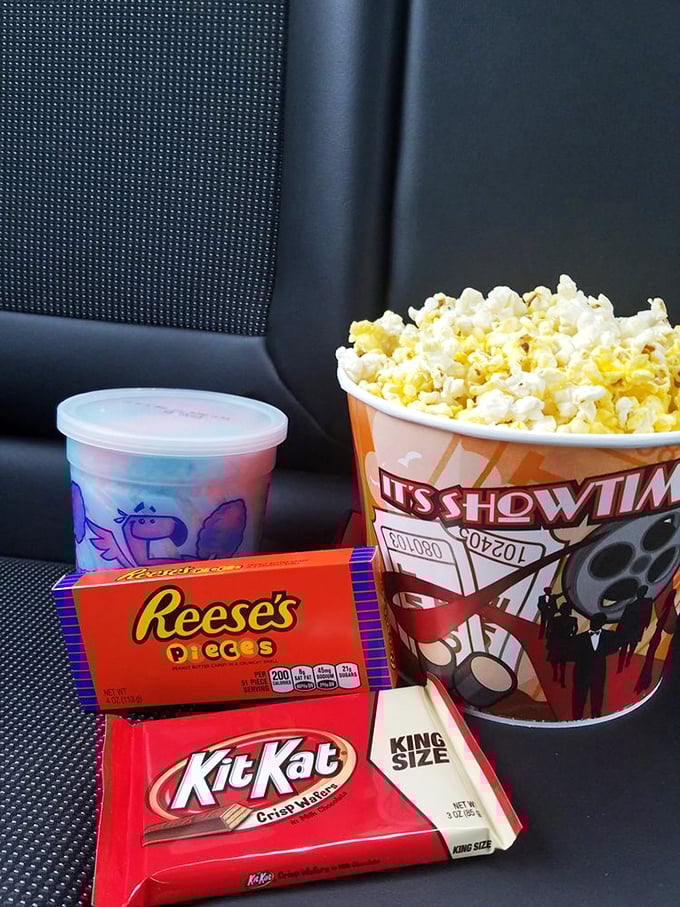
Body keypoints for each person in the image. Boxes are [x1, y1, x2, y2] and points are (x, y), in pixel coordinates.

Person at [572, 613, 617, 720]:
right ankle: (576, 718)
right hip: (582, 671)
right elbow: (573, 652)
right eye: (593, 621)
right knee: (579, 695)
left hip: (598, 671)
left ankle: (596, 717)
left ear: (602, 623)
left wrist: (603, 652)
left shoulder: (609, 635)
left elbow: (616, 646)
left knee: (597, 694)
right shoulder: (579, 638)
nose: (594, 623)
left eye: (597, 621)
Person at [616, 585, 654, 673]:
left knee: (632, 647)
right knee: (624, 648)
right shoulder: (630, 606)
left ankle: (628, 659)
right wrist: (619, 630)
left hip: (636, 629)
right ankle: (620, 666)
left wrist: (645, 624)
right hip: (628, 629)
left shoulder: (647, 602)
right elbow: (623, 619)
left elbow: (647, 614)